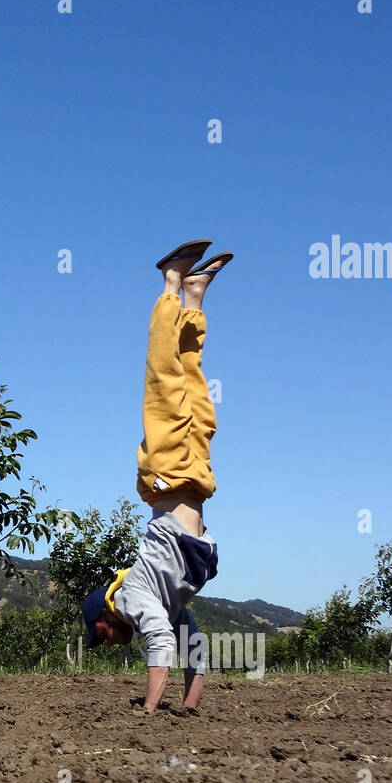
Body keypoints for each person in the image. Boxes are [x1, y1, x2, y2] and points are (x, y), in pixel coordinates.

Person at [81, 239, 232, 716]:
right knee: (197, 397)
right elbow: (194, 648)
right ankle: (194, 298)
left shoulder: (133, 597)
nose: (106, 643)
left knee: (163, 383)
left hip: (166, 480)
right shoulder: (163, 604)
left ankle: (169, 281)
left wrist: (149, 711)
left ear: (104, 615)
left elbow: (162, 644)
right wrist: (188, 707)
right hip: (193, 484)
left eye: (99, 636)